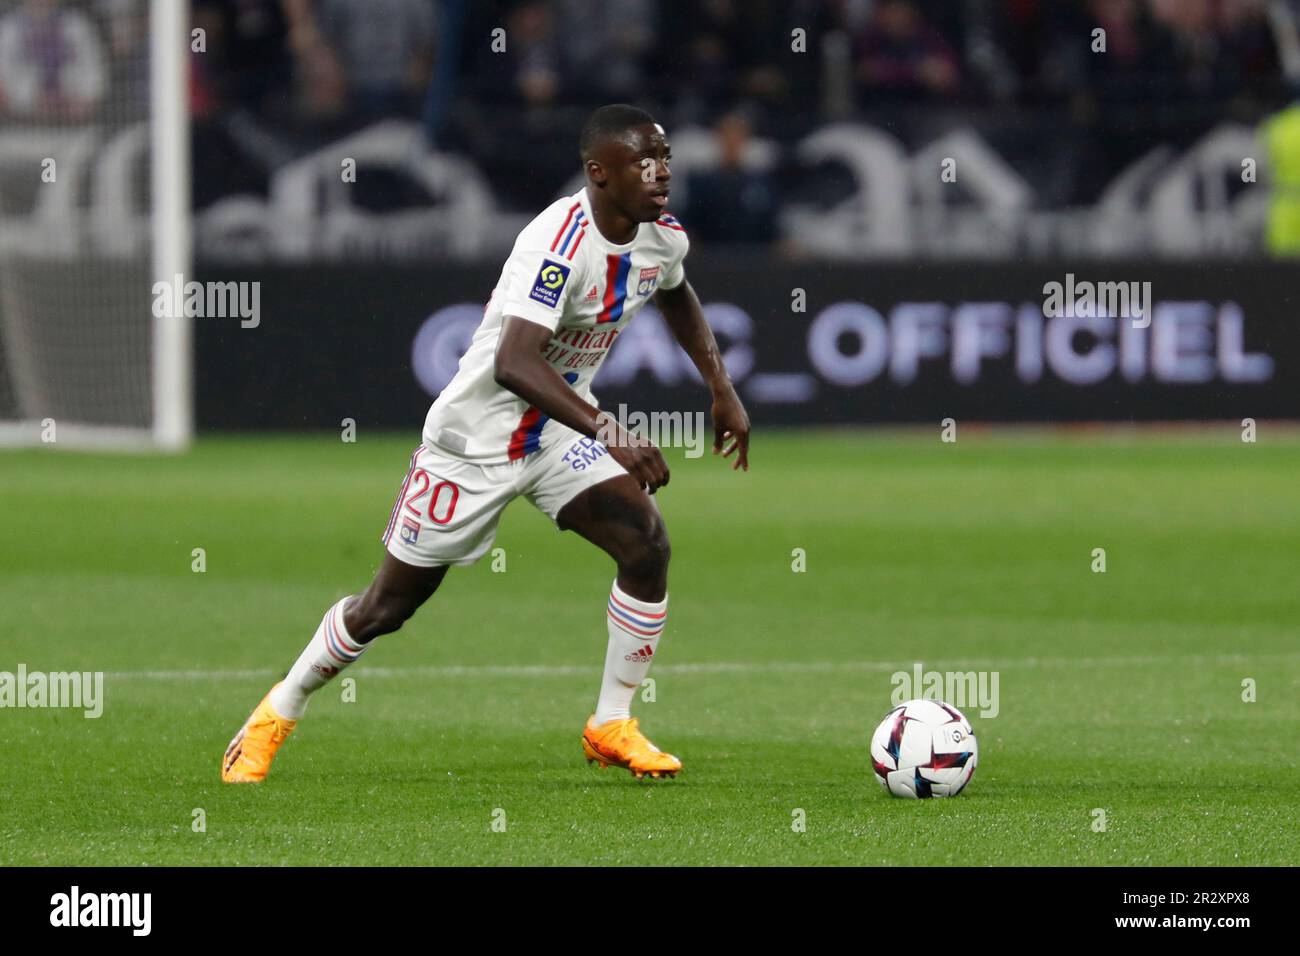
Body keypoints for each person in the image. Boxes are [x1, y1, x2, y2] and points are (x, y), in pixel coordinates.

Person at [222, 104, 751, 783]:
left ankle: (612, 722)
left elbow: (677, 292)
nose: (661, 174)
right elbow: (515, 363)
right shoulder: (555, 244)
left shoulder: (661, 237)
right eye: (643, 162)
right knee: (386, 608)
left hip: (558, 431)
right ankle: (276, 711)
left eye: (665, 158)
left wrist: (720, 386)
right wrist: (614, 432)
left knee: (645, 542)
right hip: (475, 442)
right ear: (599, 173)